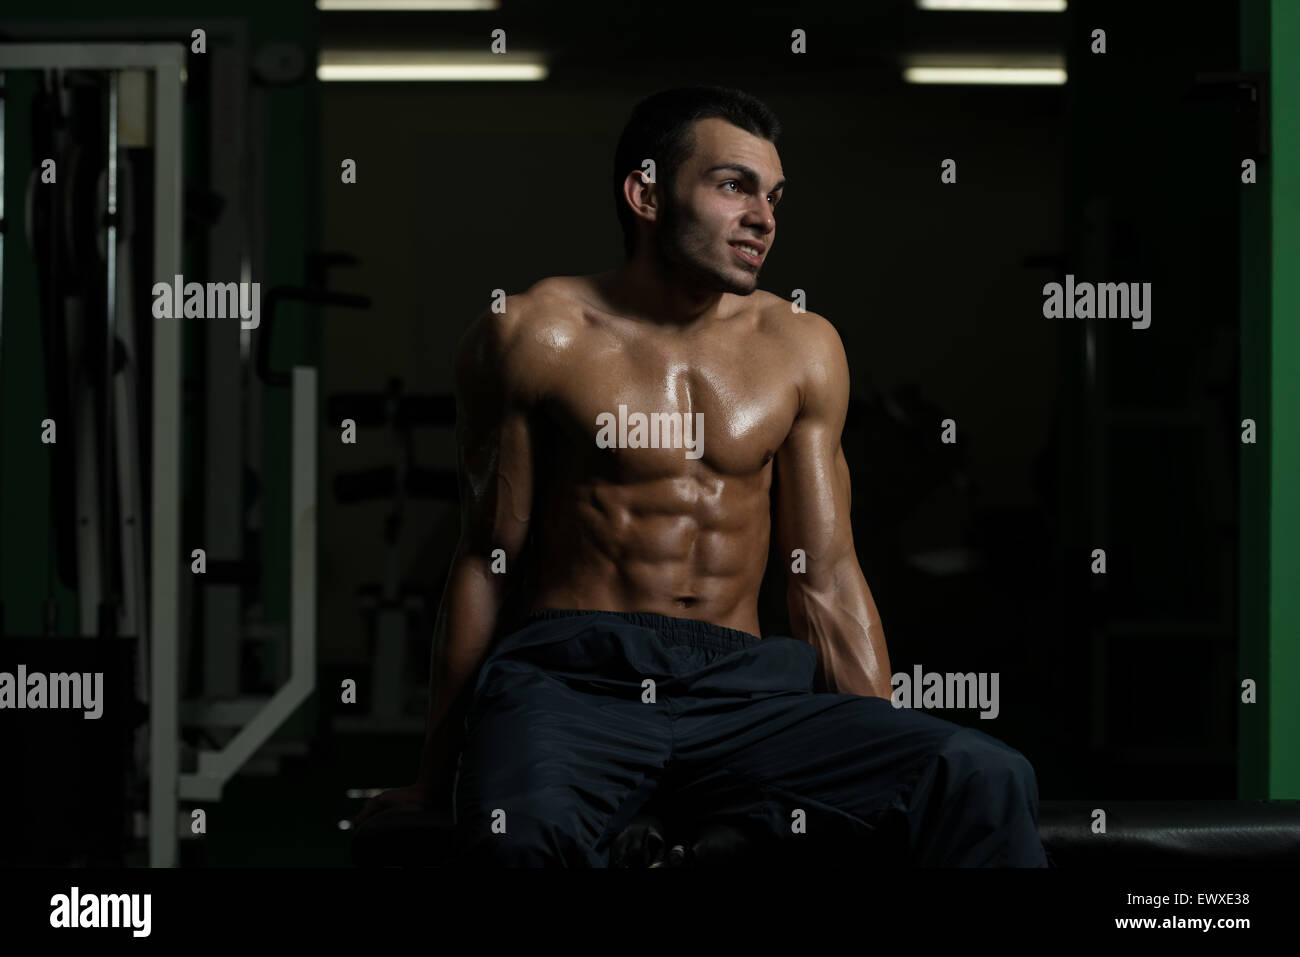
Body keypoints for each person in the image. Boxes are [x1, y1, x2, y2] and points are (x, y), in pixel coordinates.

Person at [355, 85, 1049, 867]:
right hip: (573, 682)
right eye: (734, 186)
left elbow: (825, 574)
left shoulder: (803, 346)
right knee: (519, 839)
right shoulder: (533, 334)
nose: (765, 217)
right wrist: (434, 772)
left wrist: (874, 743)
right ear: (646, 192)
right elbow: (487, 558)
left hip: (746, 690)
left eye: (775, 196)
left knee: (981, 775)